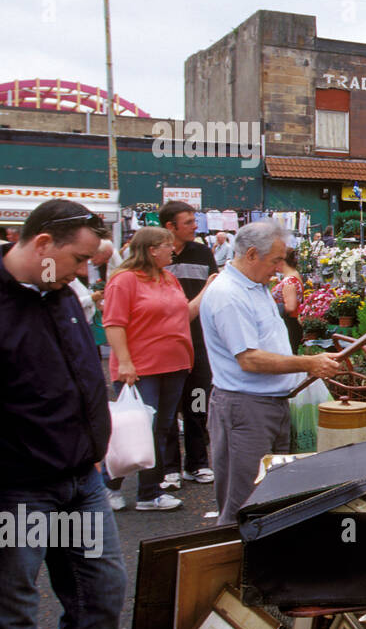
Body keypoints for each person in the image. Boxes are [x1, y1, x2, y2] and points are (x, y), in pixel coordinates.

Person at [0, 200, 127, 629]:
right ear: (44, 244)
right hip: (20, 491)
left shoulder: (62, 293)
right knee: (14, 620)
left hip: (81, 482)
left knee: (99, 598)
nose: (83, 273)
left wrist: (94, 446)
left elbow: (79, 376)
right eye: (79, 260)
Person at [201, 221, 343, 525]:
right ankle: (233, 564)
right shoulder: (228, 294)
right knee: (244, 500)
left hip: (269, 404)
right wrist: (308, 363)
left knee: (273, 493)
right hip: (246, 407)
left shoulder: (254, 287)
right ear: (252, 254)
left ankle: (262, 566)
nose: (280, 268)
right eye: (275, 260)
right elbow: (250, 360)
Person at [102, 226, 206, 511]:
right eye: (167, 245)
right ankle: (109, 486)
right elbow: (113, 323)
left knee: (160, 430)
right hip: (141, 368)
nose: (172, 249)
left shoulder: (168, 278)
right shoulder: (124, 281)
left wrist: (208, 291)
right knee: (135, 429)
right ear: (151, 249)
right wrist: (124, 362)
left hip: (174, 366)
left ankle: (148, 493)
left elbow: (184, 314)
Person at [159, 201, 220, 488]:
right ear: (170, 226)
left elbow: (213, 290)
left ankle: (197, 463)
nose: (196, 226)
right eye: (188, 222)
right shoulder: (157, 254)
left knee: (197, 403)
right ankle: (169, 467)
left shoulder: (203, 252)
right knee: (167, 408)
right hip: (163, 344)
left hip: (197, 342)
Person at [272, 248, 304, 355]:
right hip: (292, 324)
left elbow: (290, 307)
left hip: (289, 324)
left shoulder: (289, 281)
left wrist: (272, 308)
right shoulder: (294, 275)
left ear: (282, 261)